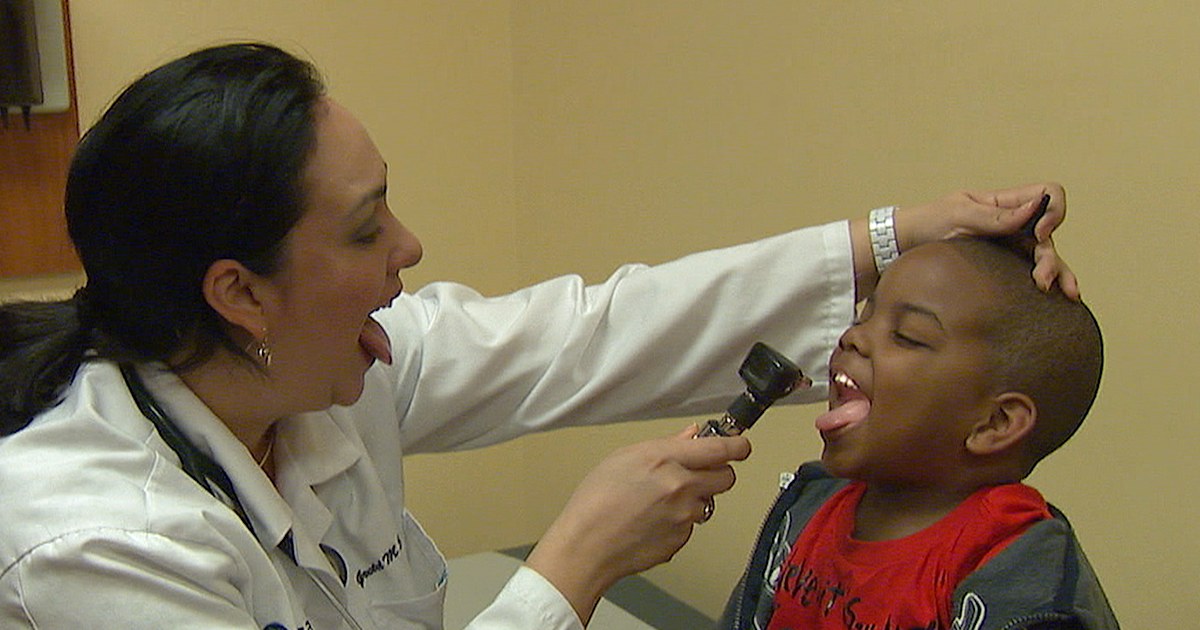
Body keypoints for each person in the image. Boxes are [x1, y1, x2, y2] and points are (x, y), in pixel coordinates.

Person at [0, 42, 1075, 629]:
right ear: (239, 293)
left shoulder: (309, 375)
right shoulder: (99, 545)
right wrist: (571, 569)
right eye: (369, 228)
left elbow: (591, 333)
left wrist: (900, 238)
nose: (410, 250)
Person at [719, 237, 1119, 629]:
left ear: (995, 424)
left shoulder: (1013, 569)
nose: (852, 337)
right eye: (863, 318)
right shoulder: (810, 507)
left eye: (907, 335)